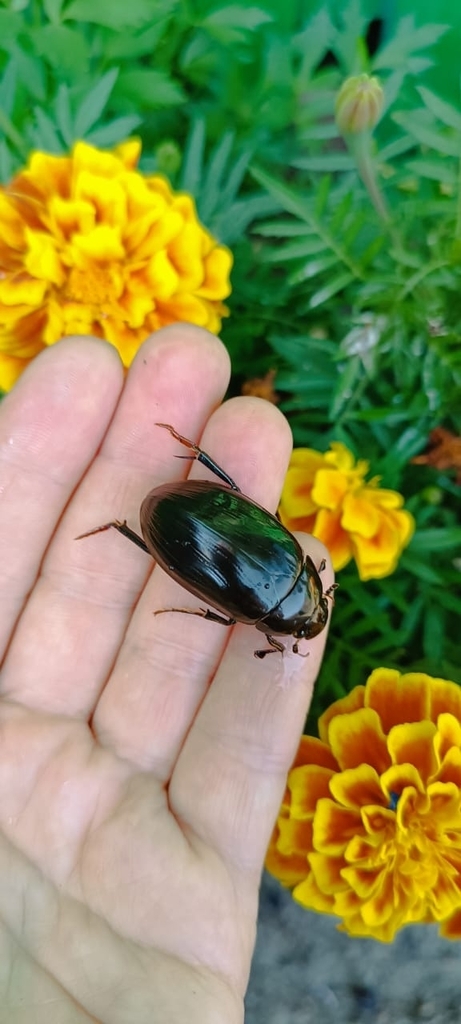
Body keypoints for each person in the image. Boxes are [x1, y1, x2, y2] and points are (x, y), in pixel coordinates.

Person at [0, 324, 332, 1023]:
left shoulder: (287, 562)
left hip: (189, 518)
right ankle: (146, 504)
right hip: (180, 529)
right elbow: (222, 571)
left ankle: (174, 469)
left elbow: (245, 510)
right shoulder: (253, 614)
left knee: (241, 506)